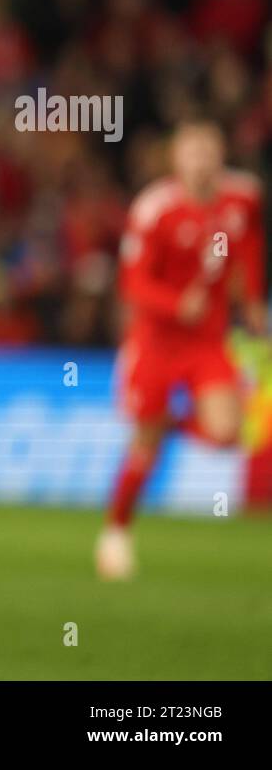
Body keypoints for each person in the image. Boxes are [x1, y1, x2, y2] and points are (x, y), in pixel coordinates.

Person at [100, 120, 265, 580]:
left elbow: (248, 244)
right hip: (155, 342)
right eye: (192, 153)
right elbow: (131, 283)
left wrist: (249, 298)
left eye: (209, 151)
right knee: (143, 450)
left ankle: (169, 423)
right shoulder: (155, 210)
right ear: (177, 160)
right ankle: (116, 532)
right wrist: (177, 303)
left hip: (207, 342)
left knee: (228, 432)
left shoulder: (241, 198)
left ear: (221, 154)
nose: (202, 162)